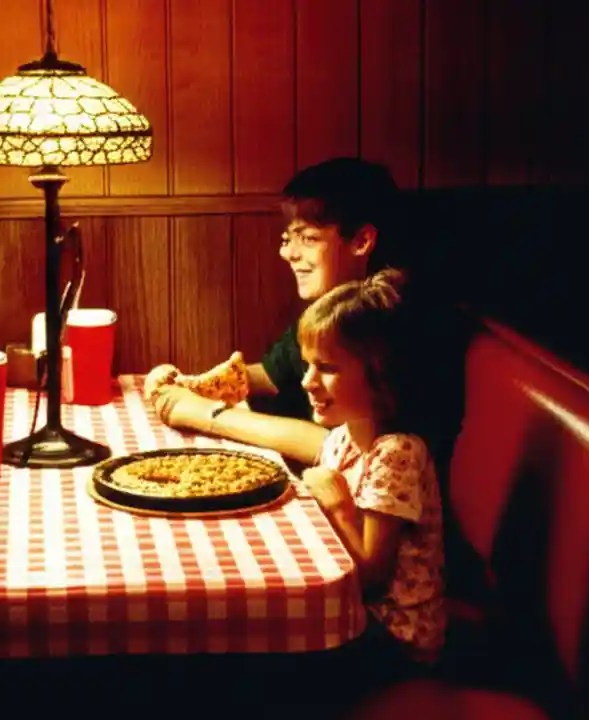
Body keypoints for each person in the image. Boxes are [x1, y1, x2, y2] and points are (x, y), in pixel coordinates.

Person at [153, 158, 406, 465]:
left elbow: (344, 449)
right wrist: (187, 384)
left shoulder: (386, 320)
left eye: (309, 239)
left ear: (362, 241)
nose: (288, 253)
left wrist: (208, 415)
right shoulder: (328, 309)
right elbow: (272, 374)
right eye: (288, 239)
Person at [297, 269, 445, 685]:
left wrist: (339, 503)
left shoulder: (397, 452)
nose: (308, 381)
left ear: (380, 375)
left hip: (394, 638)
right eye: (308, 364)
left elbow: (373, 577)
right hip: (352, 614)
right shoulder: (341, 438)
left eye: (326, 367)